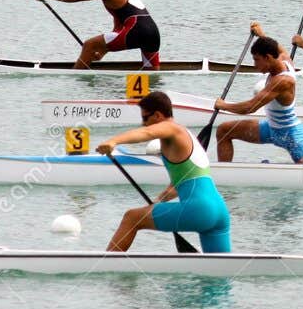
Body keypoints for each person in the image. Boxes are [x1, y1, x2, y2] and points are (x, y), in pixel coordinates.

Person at [96, 91, 230, 253]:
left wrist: (113, 141)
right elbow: (178, 186)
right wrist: (157, 202)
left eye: (145, 118)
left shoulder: (171, 128)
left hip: (199, 210)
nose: (144, 123)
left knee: (131, 218)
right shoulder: (186, 136)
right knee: (221, 268)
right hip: (219, 211)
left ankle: (107, 263)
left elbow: (146, 133)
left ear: (158, 115)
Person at [209, 27, 303, 164]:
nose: (254, 65)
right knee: (224, 130)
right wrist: (261, 35)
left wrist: (223, 105)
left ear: (268, 57)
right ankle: (224, 172)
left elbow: (250, 107)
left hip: (290, 134)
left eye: (256, 60)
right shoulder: (284, 59)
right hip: (271, 128)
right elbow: (277, 48)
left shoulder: (282, 81)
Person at [34, 0, 161, 70]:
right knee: (151, 73)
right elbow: (117, 30)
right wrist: (103, 50)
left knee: (89, 45)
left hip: (137, 30)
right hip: (153, 33)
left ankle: (75, 77)